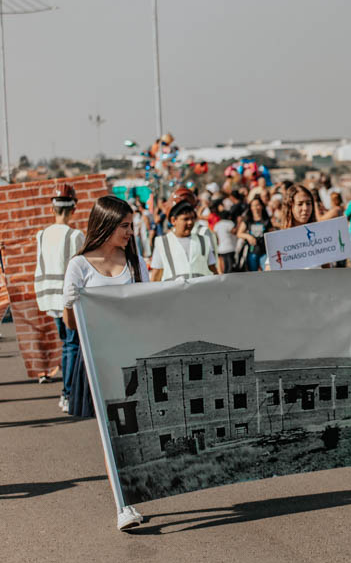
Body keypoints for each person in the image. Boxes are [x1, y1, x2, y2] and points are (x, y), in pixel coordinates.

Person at [62, 195, 148, 530]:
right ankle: (123, 504)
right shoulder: (79, 265)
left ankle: (136, 492)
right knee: (112, 431)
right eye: (124, 226)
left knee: (132, 429)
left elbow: (145, 304)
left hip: (132, 354)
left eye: (131, 225)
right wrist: (71, 304)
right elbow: (72, 325)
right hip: (99, 357)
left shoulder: (132, 260)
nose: (130, 232)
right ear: (106, 225)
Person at [34, 183, 85, 404]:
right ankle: (68, 394)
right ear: (73, 209)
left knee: (67, 344)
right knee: (72, 345)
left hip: (50, 297)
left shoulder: (41, 235)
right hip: (69, 299)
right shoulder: (75, 236)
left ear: (52, 208)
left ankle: (66, 393)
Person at [150, 199, 218, 282]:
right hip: (173, 293)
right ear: (173, 220)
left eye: (192, 218)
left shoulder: (203, 241)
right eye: (185, 219)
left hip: (200, 292)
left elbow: (213, 269)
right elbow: (156, 275)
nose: (190, 222)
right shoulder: (162, 243)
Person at [236, 196, 271, 272]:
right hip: (252, 252)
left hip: (264, 252)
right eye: (253, 205)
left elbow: (272, 235)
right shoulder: (248, 220)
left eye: (257, 205)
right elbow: (239, 233)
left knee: (267, 272)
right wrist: (248, 236)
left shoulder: (267, 220)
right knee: (253, 274)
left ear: (261, 206)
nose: (255, 208)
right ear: (250, 207)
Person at [214, 209, 237, 274]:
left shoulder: (217, 224)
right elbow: (234, 232)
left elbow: (216, 237)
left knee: (225, 266)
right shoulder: (230, 223)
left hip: (221, 248)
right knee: (230, 266)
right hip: (230, 247)